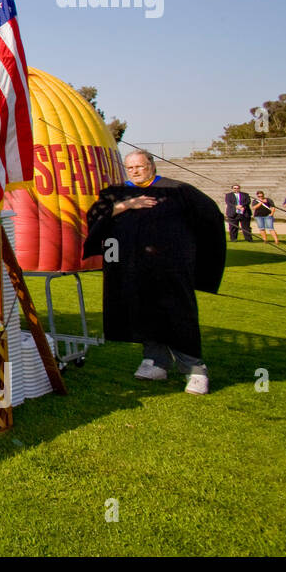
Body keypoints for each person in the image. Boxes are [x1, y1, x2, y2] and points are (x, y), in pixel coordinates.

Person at [83, 150, 225, 395]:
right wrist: (126, 205)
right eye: (130, 168)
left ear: (151, 165)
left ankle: (194, 368)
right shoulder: (115, 193)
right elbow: (95, 218)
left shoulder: (179, 191)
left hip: (170, 269)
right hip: (131, 268)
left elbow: (210, 218)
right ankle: (156, 360)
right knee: (142, 313)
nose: (135, 171)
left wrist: (193, 256)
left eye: (140, 166)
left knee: (178, 315)